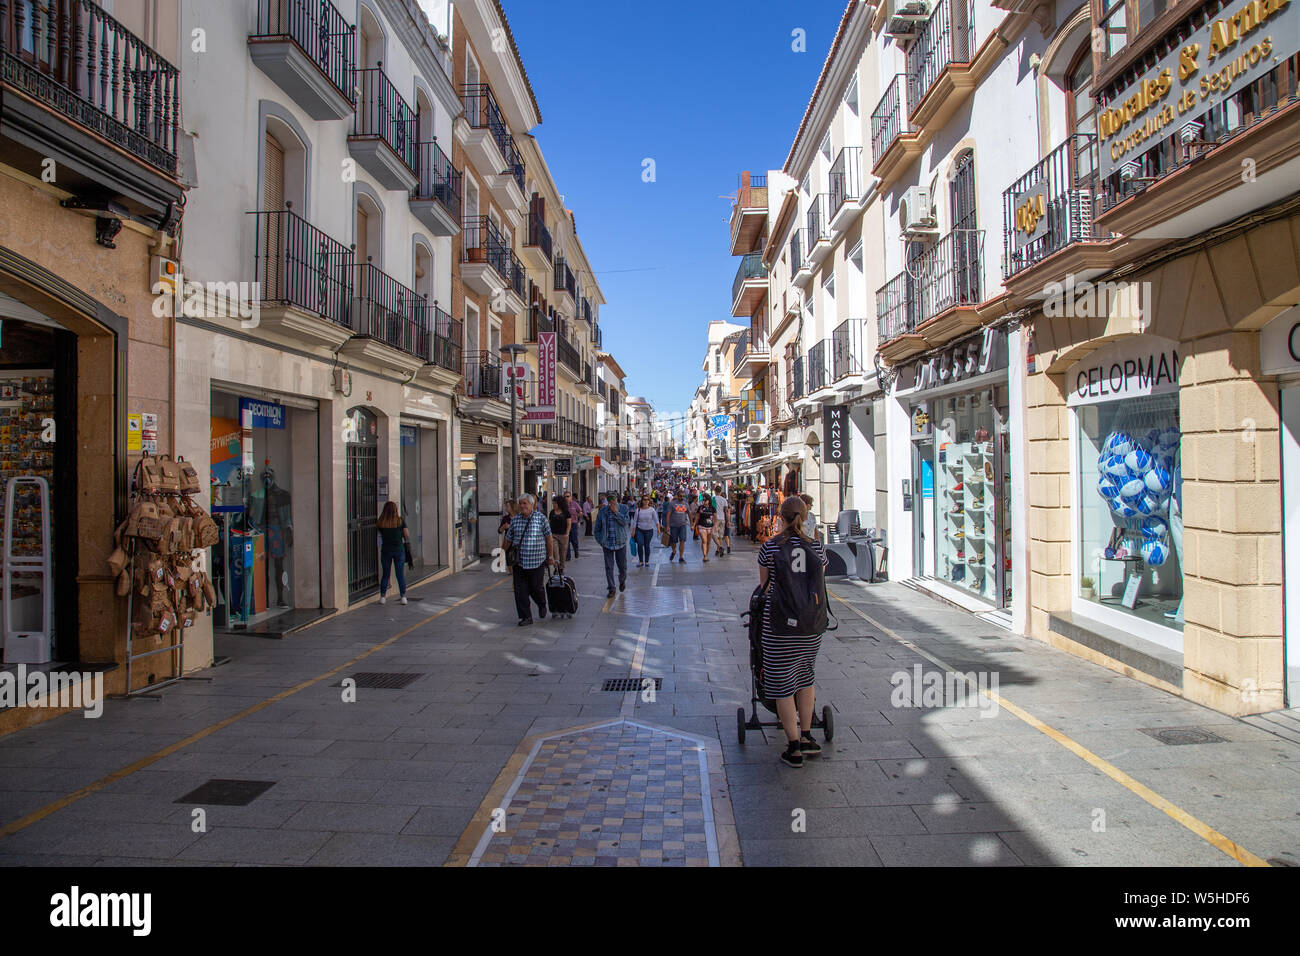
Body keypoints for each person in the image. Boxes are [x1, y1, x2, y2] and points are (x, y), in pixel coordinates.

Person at [758, 496, 829, 767]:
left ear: (782, 517)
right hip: (811, 625)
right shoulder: (817, 548)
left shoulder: (770, 548)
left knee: (781, 685)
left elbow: (764, 588)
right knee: (805, 677)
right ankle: (808, 734)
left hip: (778, 625)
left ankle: (793, 745)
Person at [504, 493, 556, 626]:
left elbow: (549, 538)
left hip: (536, 561)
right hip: (519, 562)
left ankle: (542, 603)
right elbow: (508, 539)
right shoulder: (515, 520)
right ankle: (525, 617)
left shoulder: (541, 518)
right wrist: (501, 553)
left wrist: (550, 557)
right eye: (520, 503)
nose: (522, 506)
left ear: (532, 504)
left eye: (525, 503)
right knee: (520, 591)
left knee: (536, 588)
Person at [593, 494, 629, 598]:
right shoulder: (603, 511)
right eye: (610, 501)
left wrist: (616, 512)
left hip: (620, 542)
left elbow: (625, 522)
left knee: (623, 567)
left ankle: (622, 581)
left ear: (617, 499)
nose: (612, 502)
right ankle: (611, 588)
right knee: (609, 567)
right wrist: (601, 541)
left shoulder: (623, 508)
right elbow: (597, 529)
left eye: (614, 500)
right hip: (607, 544)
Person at [376, 501, 410, 606]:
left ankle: (382, 597)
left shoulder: (381, 522)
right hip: (398, 550)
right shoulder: (400, 521)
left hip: (386, 550)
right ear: (395, 510)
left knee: (385, 574)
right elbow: (406, 534)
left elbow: (379, 535)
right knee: (400, 574)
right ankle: (403, 597)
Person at [632, 495, 661, 568]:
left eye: (647, 499)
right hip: (639, 530)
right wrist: (633, 531)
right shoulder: (638, 510)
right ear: (641, 501)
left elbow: (656, 520)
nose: (646, 501)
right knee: (639, 544)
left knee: (647, 545)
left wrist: (658, 529)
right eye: (644, 499)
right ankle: (641, 561)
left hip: (649, 530)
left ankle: (647, 561)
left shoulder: (652, 510)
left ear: (649, 501)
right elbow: (635, 521)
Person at [549, 495, 572, 575]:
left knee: (563, 553)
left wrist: (567, 533)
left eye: (555, 503)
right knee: (555, 552)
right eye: (553, 503)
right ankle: (556, 567)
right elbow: (549, 522)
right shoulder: (552, 512)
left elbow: (569, 523)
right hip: (553, 535)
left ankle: (561, 567)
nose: (554, 505)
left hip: (563, 535)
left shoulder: (566, 512)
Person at [665, 492, 690, 563]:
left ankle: (681, 557)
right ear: (677, 496)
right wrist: (667, 525)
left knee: (682, 540)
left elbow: (689, 513)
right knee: (674, 541)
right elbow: (668, 515)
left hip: (683, 525)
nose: (682, 497)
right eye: (680, 496)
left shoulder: (686, 504)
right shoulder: (672, 504)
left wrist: (692, 524)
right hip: (673, 526)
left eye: (683, 496)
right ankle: (674, 551)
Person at [694, 491, 716, 563]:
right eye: (703, 500)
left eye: (705, 500)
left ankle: (706, 554)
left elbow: (715, 518)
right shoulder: (700, 508)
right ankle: (705, 556)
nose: (703, 501)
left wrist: (715, 525)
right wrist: (694, 524)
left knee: (708, 542)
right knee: (704, 541)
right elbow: (697, 517)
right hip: (702, 526)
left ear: (708, 500)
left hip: (710, 527)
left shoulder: (712, 508)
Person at [712, 484, 732, 556]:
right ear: (720, 491)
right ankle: (719, 550)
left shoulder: (713, 499)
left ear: (715, 491)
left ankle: (719, 548)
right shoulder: (724, 500)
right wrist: (728, 521)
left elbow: (712, 510)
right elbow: (726, 511)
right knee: (720, 536)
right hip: (723, 519)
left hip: (716, 519)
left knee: (714, 535)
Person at [565, 492, 583, 560]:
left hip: (573, 524)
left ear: (570, 497)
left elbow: (580, 511)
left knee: (574, 539)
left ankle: (576, 551)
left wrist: (579, 514)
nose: (566, 498)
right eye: (565, 496)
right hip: (565, 525)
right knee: (567, 540)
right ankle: (568, 555)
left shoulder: (575, 504)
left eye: (568, 496)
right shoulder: (563, 505)